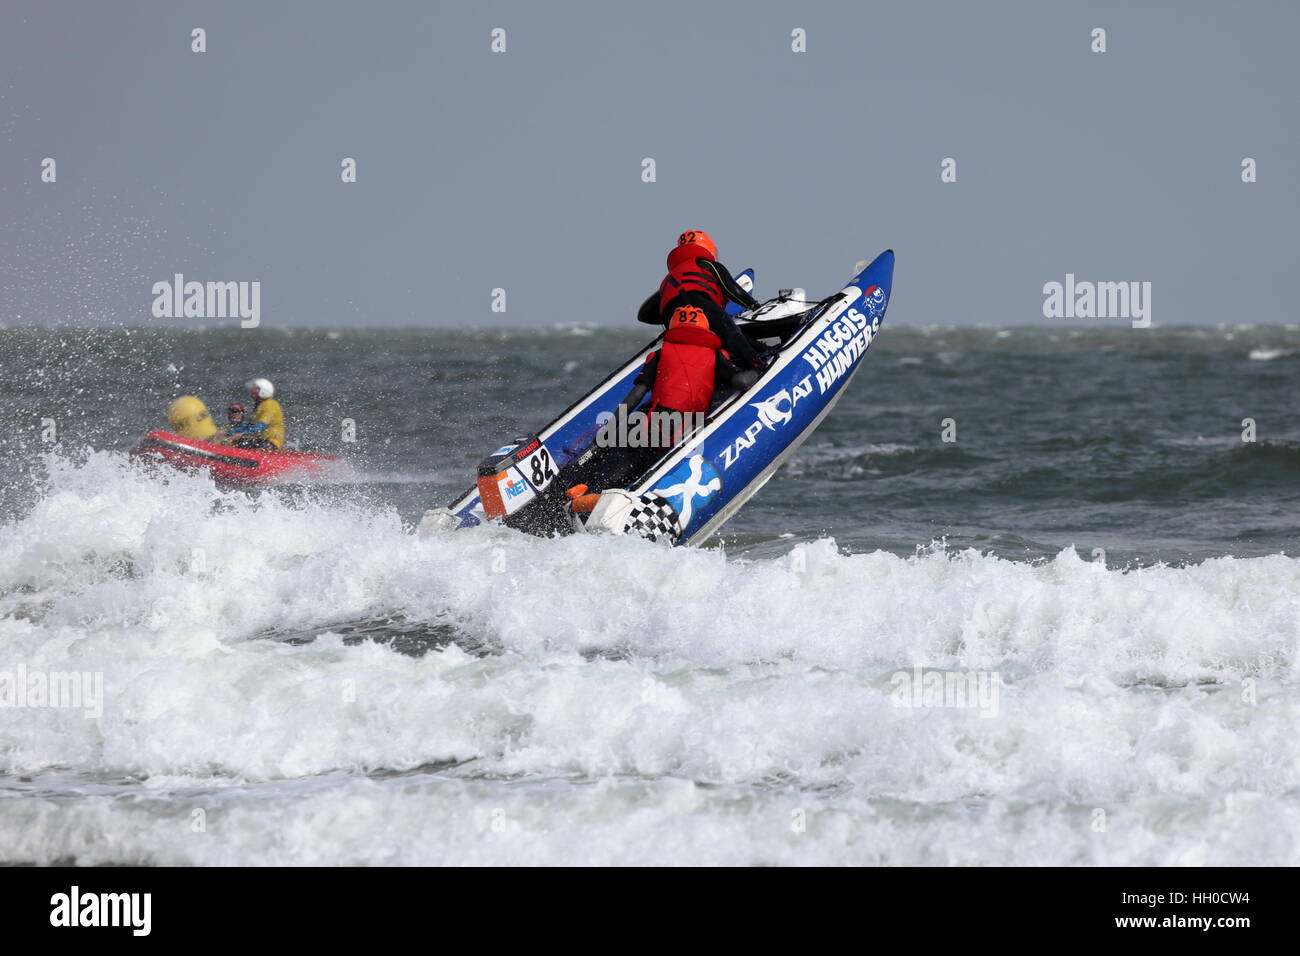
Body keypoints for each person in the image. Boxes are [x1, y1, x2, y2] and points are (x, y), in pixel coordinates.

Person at [566, 305, 757, 514]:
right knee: (641, 474)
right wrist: (756, 370)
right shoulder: (715, 355)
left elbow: (636, 396)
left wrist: (609, 428)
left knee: (618, 463)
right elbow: (739, 381)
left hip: (649, 424)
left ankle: (579, 495)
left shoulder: (661, 352)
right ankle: (600, 508)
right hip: (682, 430)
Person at [636, 229, 763, 368]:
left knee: (705, 346)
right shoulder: (707, 264)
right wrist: (755, 306)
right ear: (709, 249)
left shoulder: (669, 280)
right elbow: (732, 290)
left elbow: (644, 314)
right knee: (730, 333)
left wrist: (673, 316)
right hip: (702, 305)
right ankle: (756, 361)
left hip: (673, 319)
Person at [226, 378, 285, 450]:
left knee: (238, 442)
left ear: (263, 392)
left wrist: (242, 434)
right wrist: (229, 432)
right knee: (237, 441)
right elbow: (248, 425)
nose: (251, 392)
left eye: (255, 390)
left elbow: (260, 426)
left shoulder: (269, 405)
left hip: (272, 442)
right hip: (263, 439)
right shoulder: (260, 406)